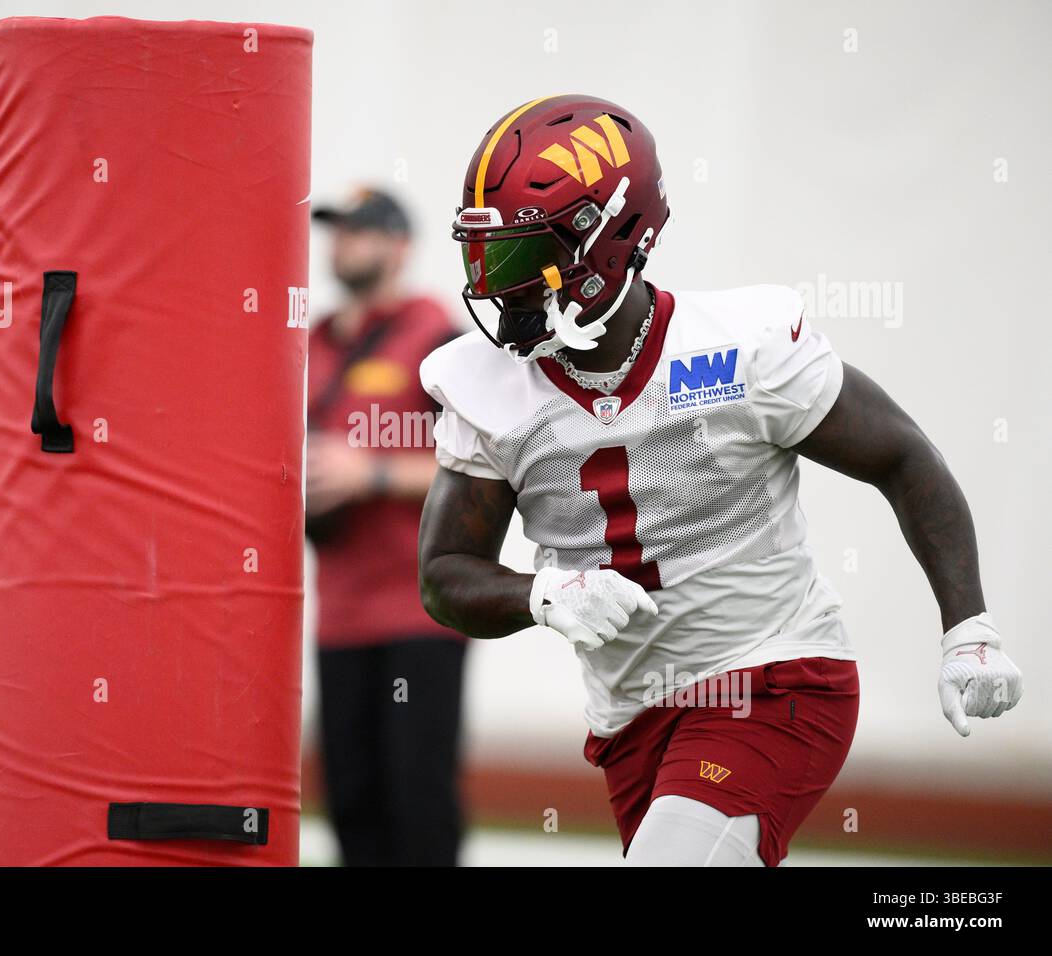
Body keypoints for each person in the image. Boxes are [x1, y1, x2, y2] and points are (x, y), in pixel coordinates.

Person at [416, 95, 1024, 866]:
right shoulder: (486, 385)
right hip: (633, 719)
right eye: (484, 260)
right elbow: (443, 576)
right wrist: (543, 593)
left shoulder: (740, 349)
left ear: (608, 239)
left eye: (516, 259)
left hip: (774, 677)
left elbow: (901, 456)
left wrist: (968, 626)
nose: (498, 288)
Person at [307, 188, 465, 866]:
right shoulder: (311, 341)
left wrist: (368, 473)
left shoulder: (438, 338)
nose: (342, 242)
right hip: (337, 613)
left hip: (418, 612)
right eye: (336, 230)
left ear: (401, 246)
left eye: (360, 231)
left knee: (417, 801)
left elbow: (485, 466)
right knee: (350, 803)